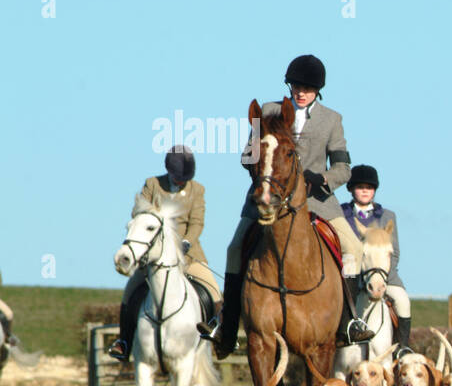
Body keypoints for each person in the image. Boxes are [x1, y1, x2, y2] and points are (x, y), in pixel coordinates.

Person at [198, 54, 374, 356]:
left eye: (307, 87)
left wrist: (320, 179)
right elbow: (246, 156)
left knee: (354, 249)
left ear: (318, 90)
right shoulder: (269, 111)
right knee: (234, 248)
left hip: (317, 202)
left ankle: (349, 321)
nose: (300, 91)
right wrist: (259, 158)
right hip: (268, 196)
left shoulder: (332, 120)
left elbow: (344, 169)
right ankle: (225, 325)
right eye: (295, 85)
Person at [109, 145, 224, 361]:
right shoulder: (153, 185)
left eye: (185, 178)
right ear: (168, 171)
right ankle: (123, 341)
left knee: (214, 289)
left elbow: (197, 222)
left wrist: (187, 241)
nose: (182, 182)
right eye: (178, 178)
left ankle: (218, 335)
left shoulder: (197, 190)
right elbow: (138, 212)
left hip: (188, 255)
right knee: (130, 292)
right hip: (154, 258)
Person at [340, 164, 412, 352]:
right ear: (351, 189)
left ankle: (403, 348)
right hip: (349, 276)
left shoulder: (387, 216)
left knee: (403, 301)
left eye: (369, 187)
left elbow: (394, 252)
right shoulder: (341, 214)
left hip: (382, 274)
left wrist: (383, 276)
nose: (365, 191)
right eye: (360, 187)